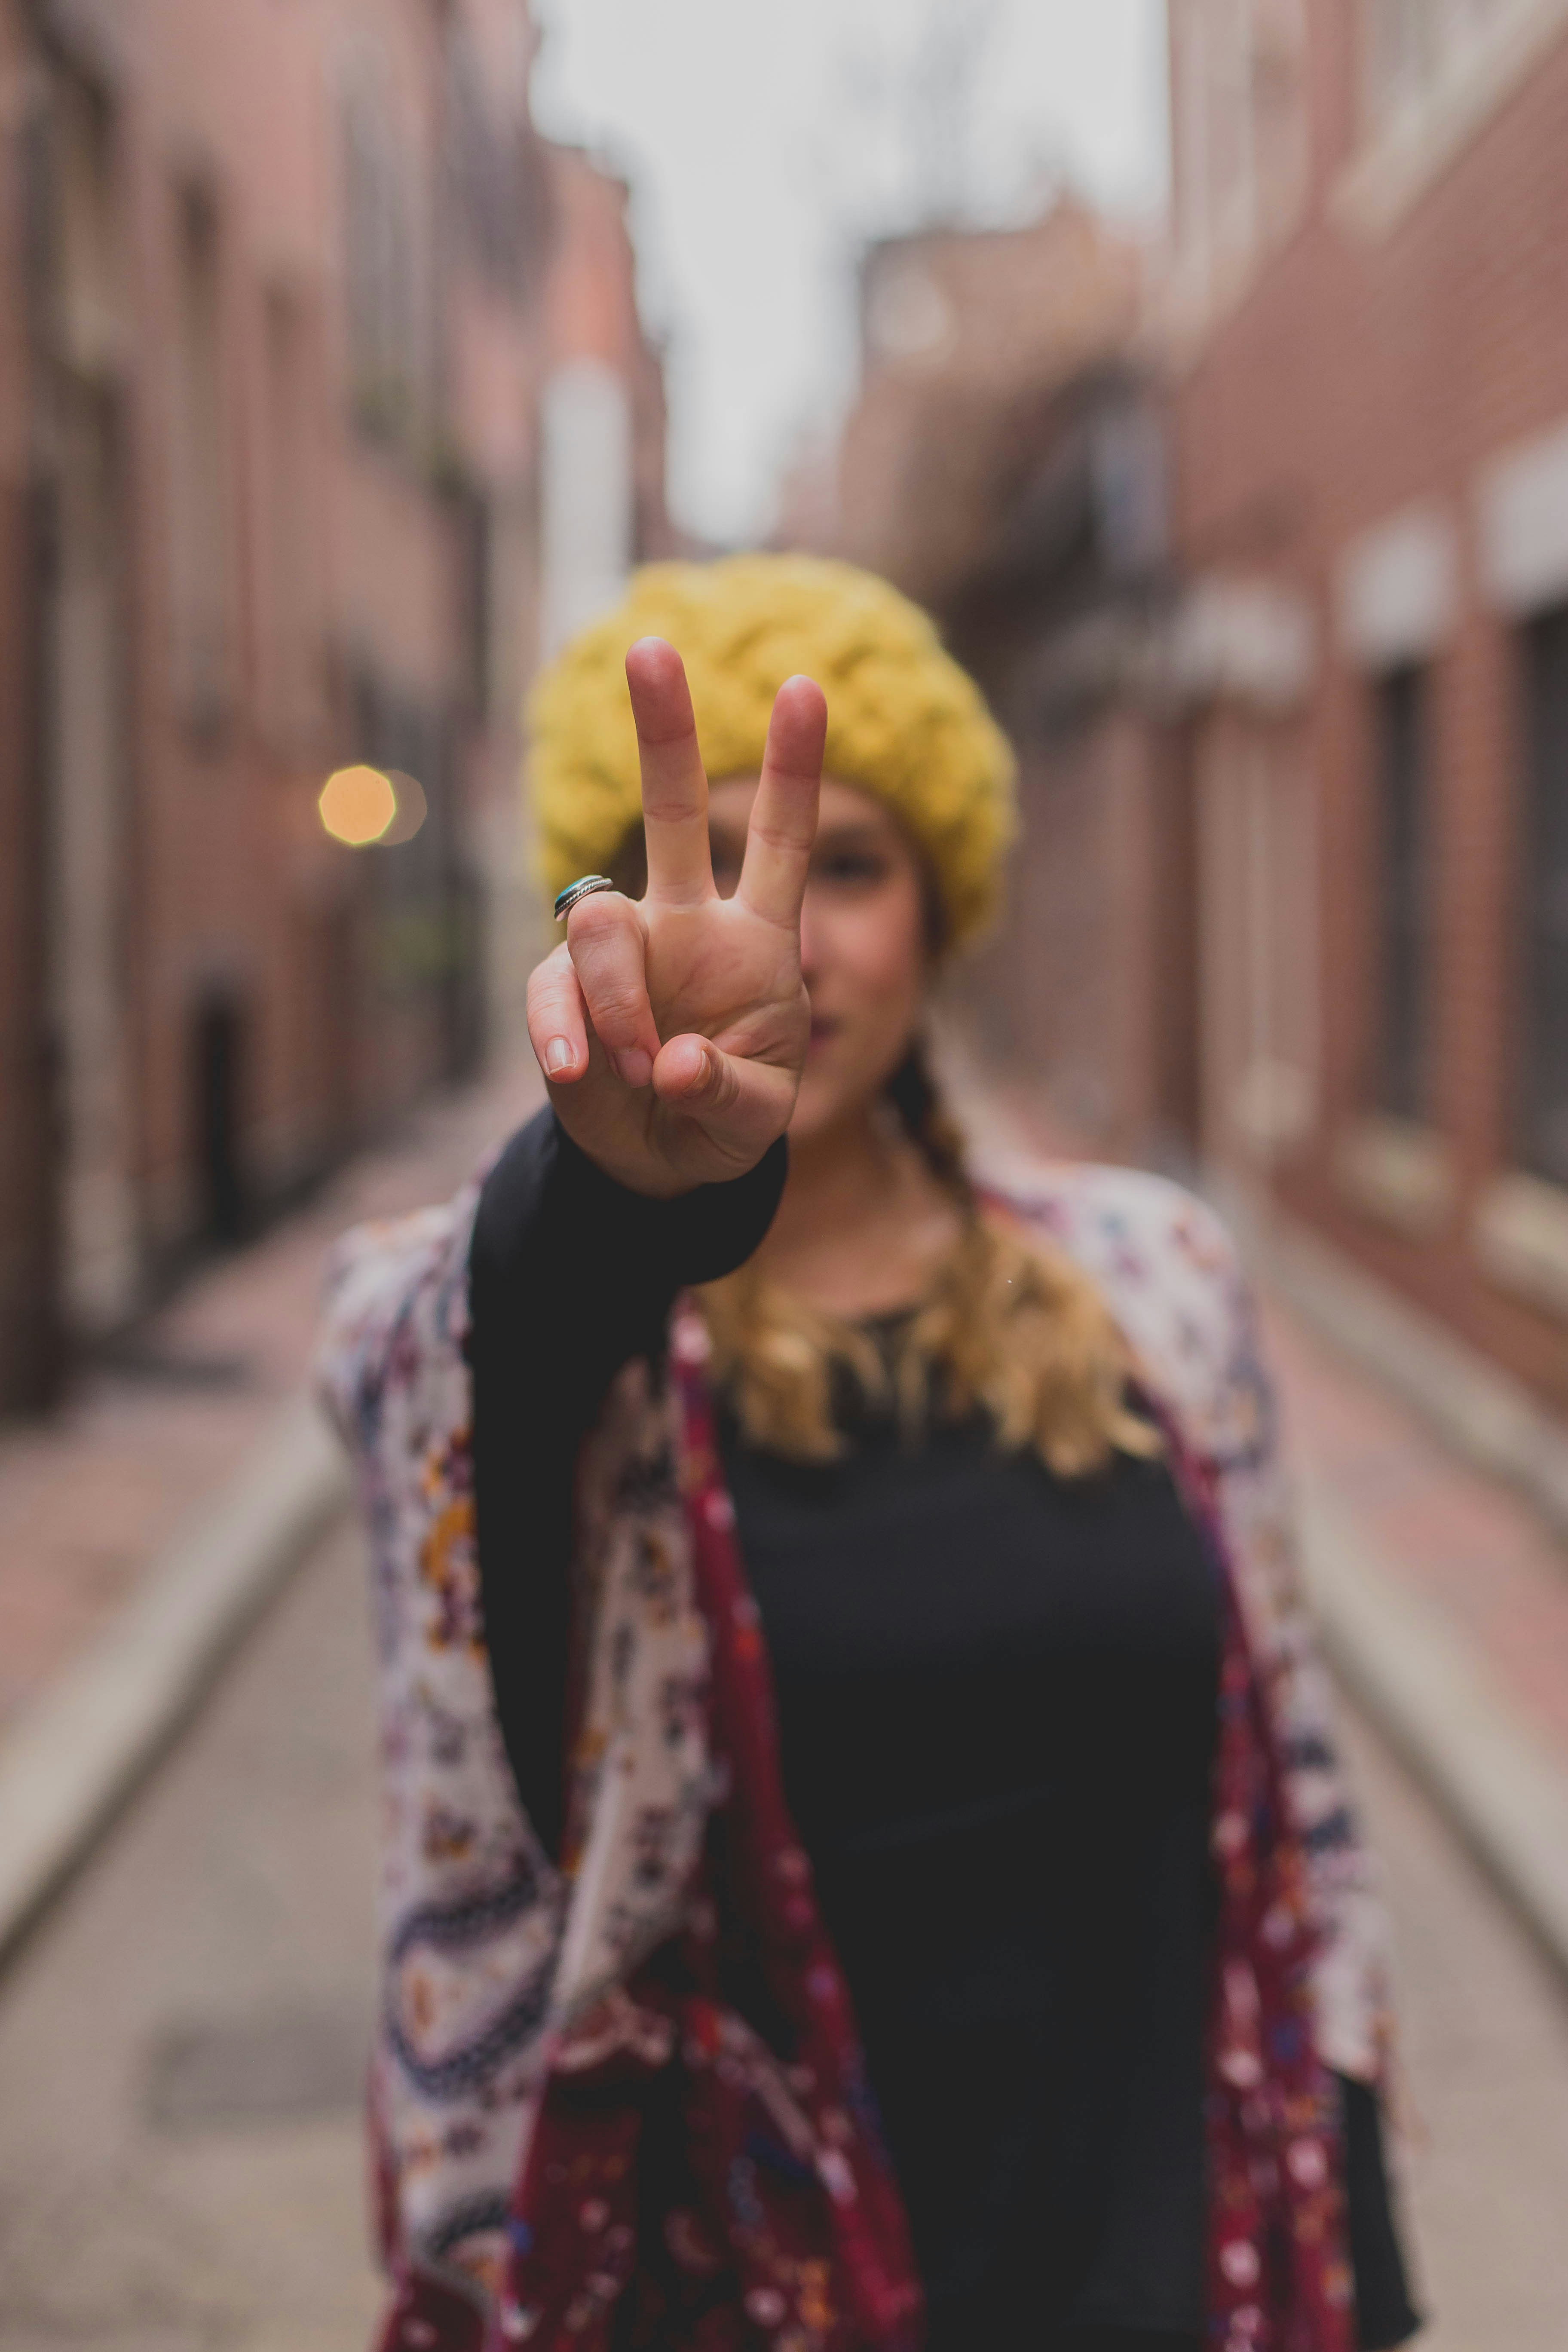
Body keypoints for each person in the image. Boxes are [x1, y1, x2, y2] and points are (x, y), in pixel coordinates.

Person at [319, 556, 1422, 2352]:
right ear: (606, 922)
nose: (790, 941)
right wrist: (622, 1193)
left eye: (847, 863)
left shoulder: (1159, 1279)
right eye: (723, 860)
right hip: (732, 2293)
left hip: (1169, 2280)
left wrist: (1353, 2245)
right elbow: (475, 1363)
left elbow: (1291, 1784)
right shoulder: (495, 1327)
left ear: (942, 907)